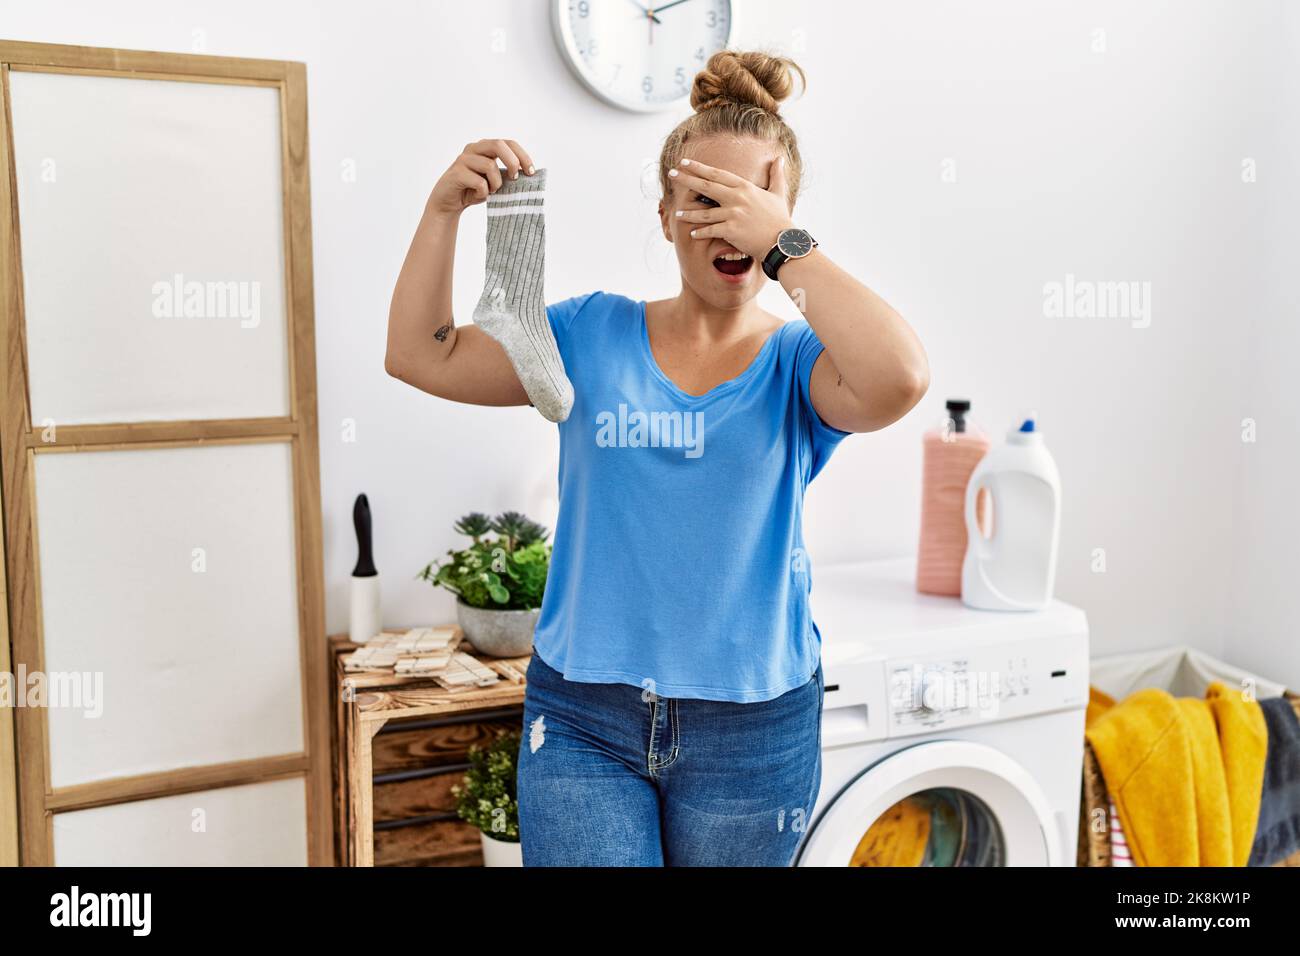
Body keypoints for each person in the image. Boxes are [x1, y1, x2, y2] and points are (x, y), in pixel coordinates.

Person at [385, 49, 929, 866]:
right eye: (706, 200)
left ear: (786, 219)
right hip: (582, 720)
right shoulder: (586, 335)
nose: (728, 226)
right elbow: (420, 356)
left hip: (754, 730)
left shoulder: (799, 367)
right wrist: (440, 212)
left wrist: (787, 244)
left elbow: (901, 379)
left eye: (753, 205)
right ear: (669, 213)